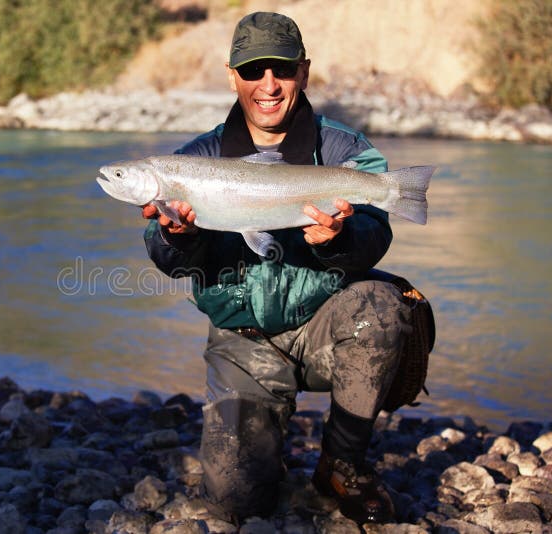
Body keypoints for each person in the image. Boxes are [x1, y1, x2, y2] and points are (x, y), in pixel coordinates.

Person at [142, 11, 417, 524]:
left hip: (325, 329)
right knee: (235, 508)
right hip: (242, 344)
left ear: (304, 72)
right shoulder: (192, 161)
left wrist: (340, 239)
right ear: (232, 76)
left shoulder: (346, 151)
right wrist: (174, 235)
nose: (268, 85)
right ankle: (267, 440)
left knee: (381, 307)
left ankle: (342, 462)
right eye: (252, 71)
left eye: (282, 70)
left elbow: (378, 232)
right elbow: (165, 260)